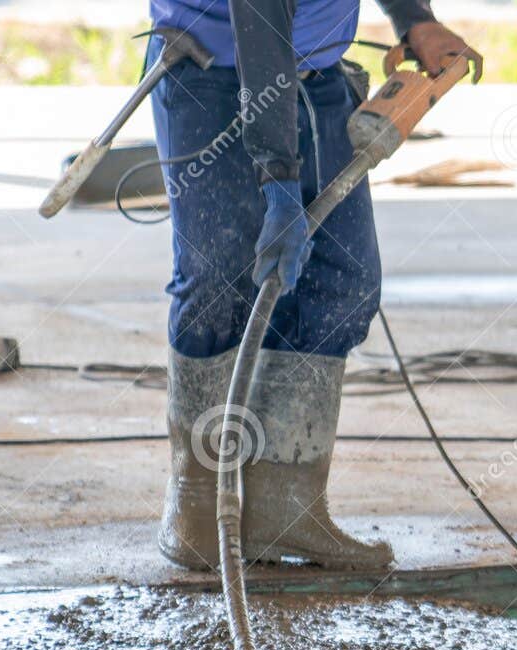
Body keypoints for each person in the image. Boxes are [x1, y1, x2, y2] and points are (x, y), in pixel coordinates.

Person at [148, 0, 480, 570]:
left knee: (343, 283)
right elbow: (262, 22)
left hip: (317, 76)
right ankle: (197, 506)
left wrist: (411, 18)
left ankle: (285, 507)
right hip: (211, 71)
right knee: (219, 277)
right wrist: (279, 179)